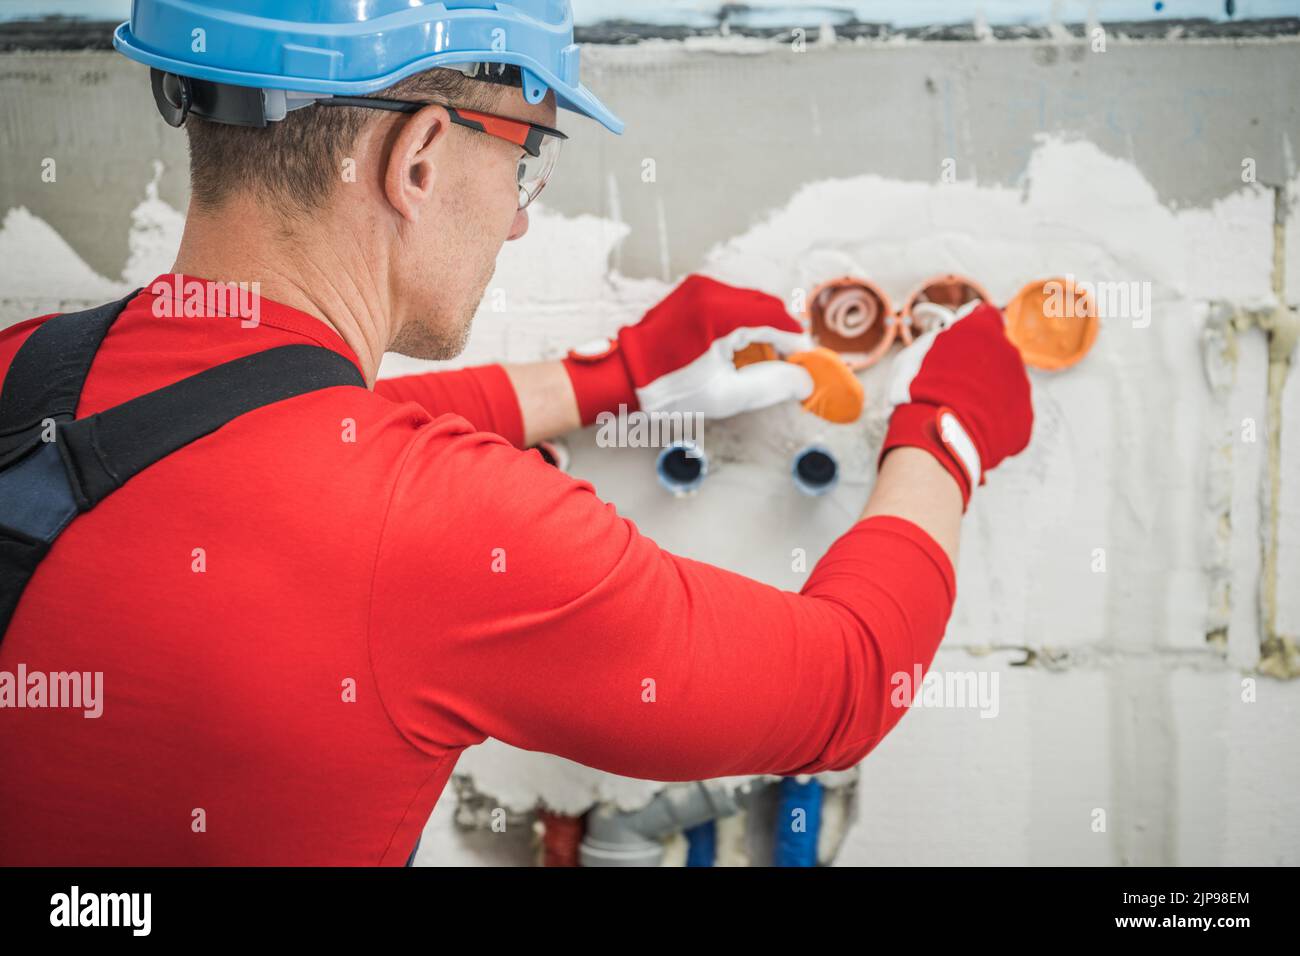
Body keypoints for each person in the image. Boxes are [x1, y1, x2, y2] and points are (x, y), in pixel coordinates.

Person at [0, 0, 1032, 865]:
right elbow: (848, 680)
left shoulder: (24, 367)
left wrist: (613, 372)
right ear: (419, 156)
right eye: (525, 158)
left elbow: (269, 437)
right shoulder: (446, 530)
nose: (519, 215)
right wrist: (946, 437)